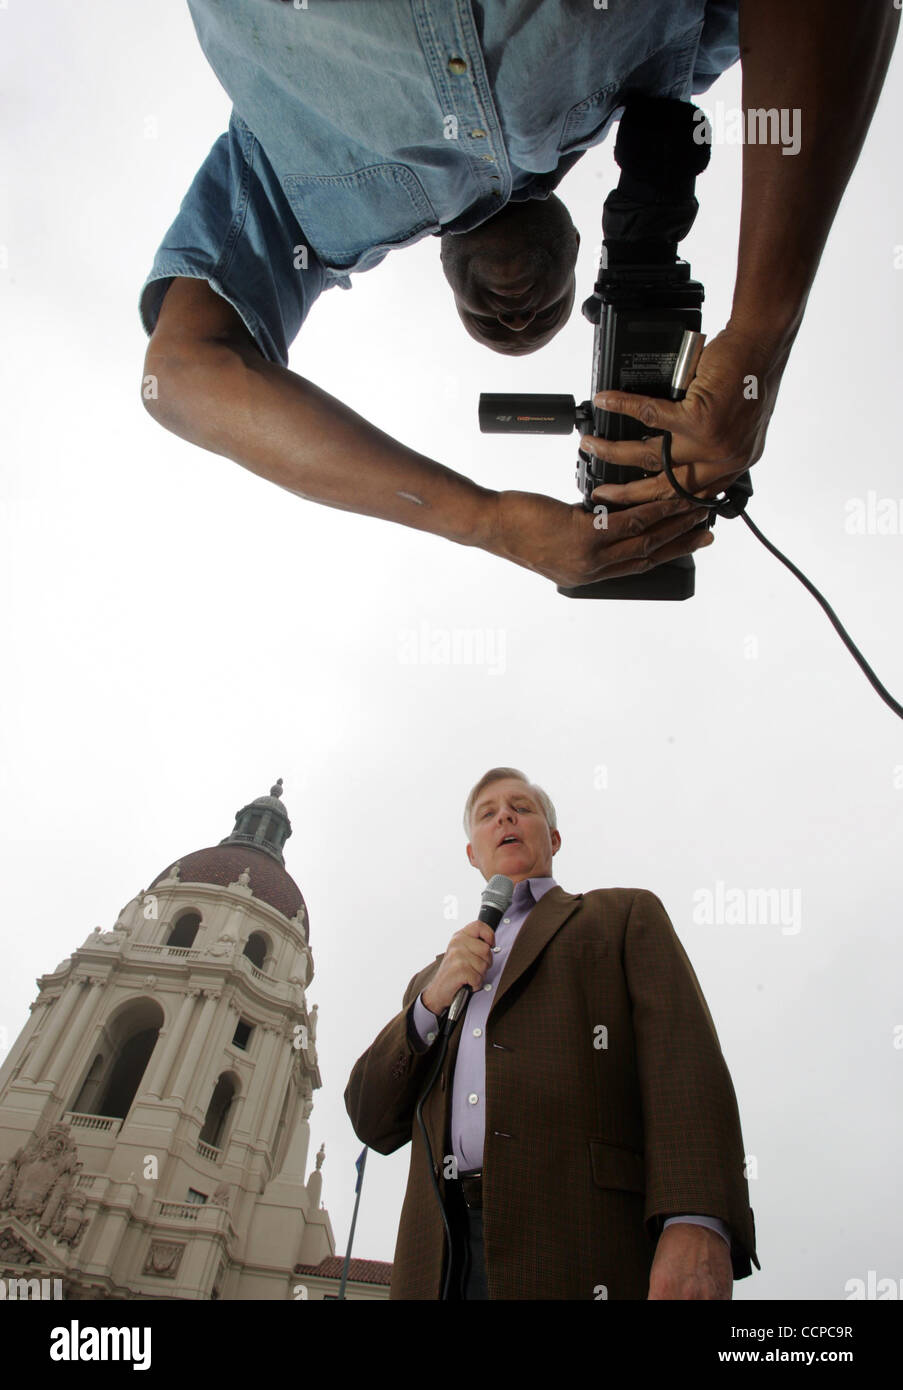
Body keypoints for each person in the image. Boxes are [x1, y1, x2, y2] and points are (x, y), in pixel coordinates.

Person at [138, 3, 899, 590]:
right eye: (542, 317)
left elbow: (177, 376)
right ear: (577, 248)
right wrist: (761, 331)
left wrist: (490, 522)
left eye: (495, 324)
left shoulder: (278, 184)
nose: (512, 314)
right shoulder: (667, 53)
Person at [344, 768, 758, 1299]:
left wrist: (697, 1222)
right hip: (440, 1261)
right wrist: (429, 1004)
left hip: (582, 1246)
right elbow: (370, 1118)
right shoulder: (433, 980)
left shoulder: (621, 915)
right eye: (488, 814)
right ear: (473, 853)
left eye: (522, 806)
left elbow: (685, 1067)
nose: (505, 817)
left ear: (554, 838)